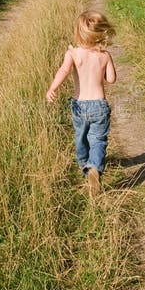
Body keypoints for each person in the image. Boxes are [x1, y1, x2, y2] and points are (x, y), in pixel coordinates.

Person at [46, 11, 117, 196]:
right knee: (98, 140)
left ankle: (84, 163)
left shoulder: (73, 53)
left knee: (81, 136)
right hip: (99, 105)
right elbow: (111, 79)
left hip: (79, 105)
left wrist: (53, 88)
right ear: (100, 33)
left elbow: (63, 71)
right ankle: (95, 167)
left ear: (79, 32)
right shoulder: (105, 55)